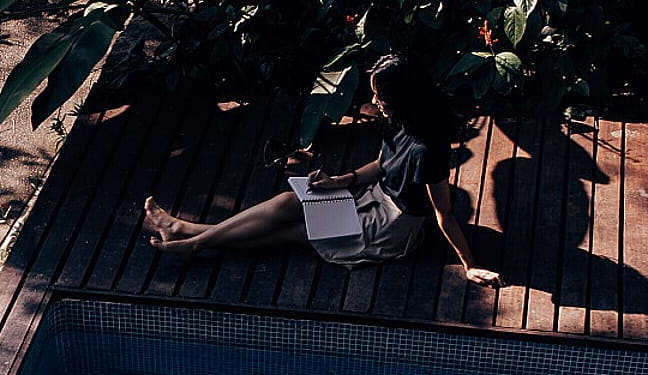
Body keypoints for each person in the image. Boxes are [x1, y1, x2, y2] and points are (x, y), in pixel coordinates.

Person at [144, 54, 502, 287]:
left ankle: (190, 237)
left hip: (388, 229)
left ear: (404, 99)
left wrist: (469, 265)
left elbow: (444, 215)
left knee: (296, 228)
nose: (375, 102)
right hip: (370, 201)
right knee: (288, 203)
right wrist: (339, 181)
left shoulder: (430, 149)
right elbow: (381, 165)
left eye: (382, 97)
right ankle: (188, 235)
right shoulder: (399, 122)